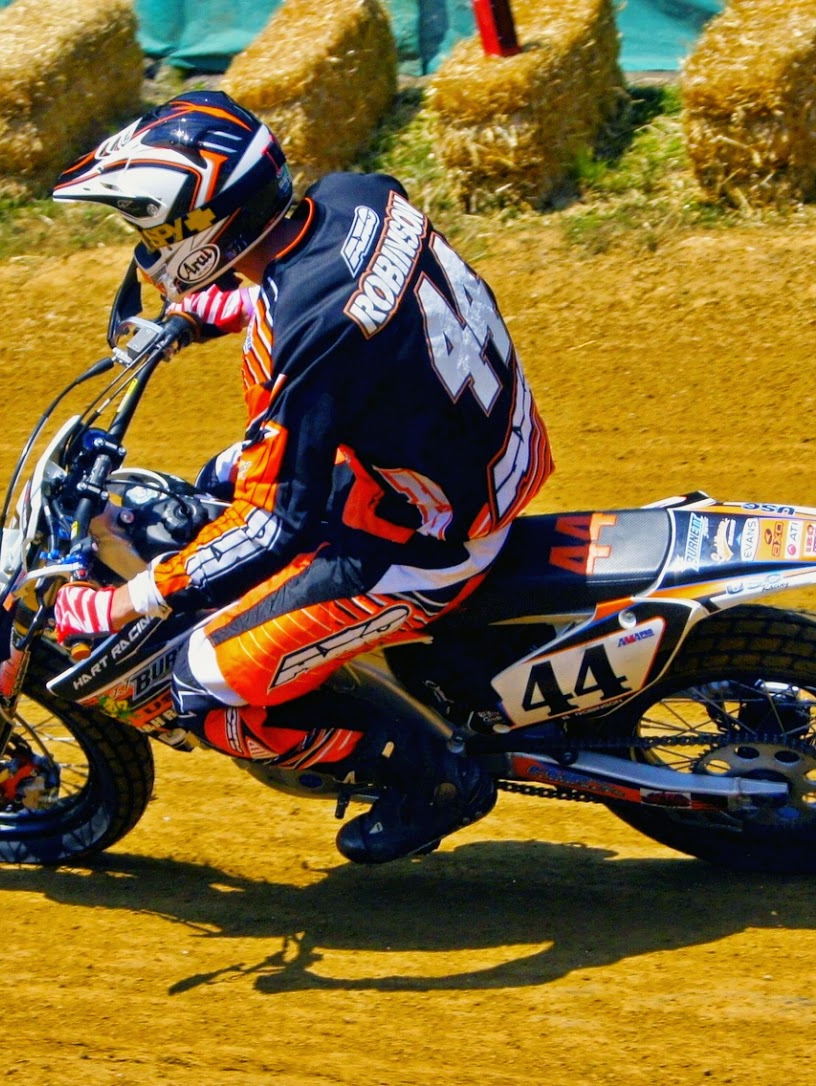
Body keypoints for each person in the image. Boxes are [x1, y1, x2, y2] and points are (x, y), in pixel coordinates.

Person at [48, 90, 552, 863]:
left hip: (425, 537)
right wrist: (197, 316)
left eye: (152, 226)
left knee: (194, 686)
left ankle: (437, 779)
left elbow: (273, 524)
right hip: (481, 445)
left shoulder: (305, 337)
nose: (144, 244)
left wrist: (125, 601)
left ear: (203, 226)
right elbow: (341, 281)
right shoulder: (357, 194)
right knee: (221, 475)